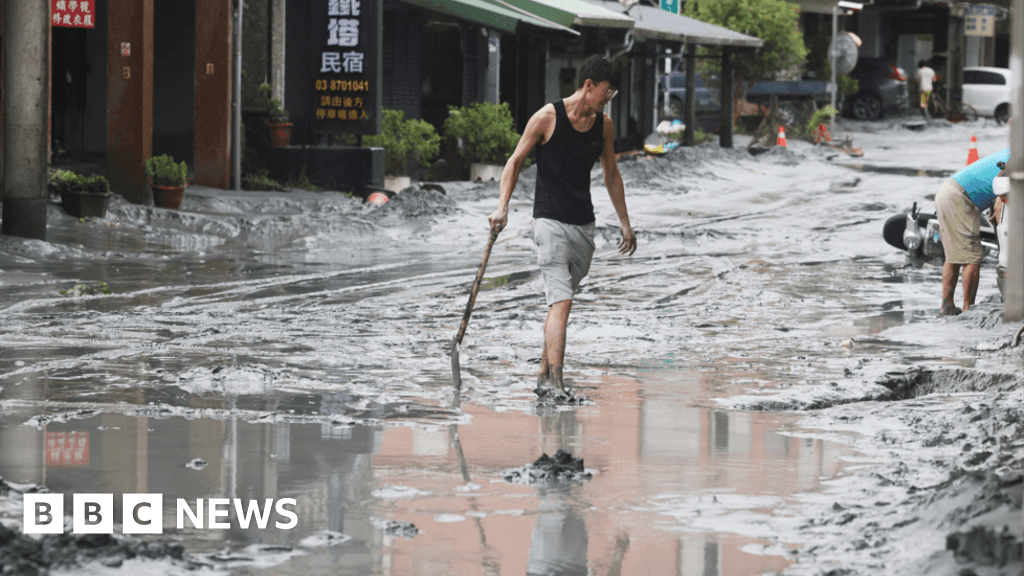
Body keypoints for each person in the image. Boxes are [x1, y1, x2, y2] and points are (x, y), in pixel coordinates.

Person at [486, 54, 637, 393]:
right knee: (563, 302)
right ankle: (557, 382)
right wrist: (502, 207)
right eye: (607, 92)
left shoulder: (604, 126)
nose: (608, 99)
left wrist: (625, 223)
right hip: (549, 221)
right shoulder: (547, 117)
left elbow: (611, 173)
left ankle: (542, 376)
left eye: (613, 94)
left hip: (583, 226)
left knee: (559, 303)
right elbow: (514, 162)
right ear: (588, 86)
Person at [935, 147, 1010, 315]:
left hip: (948, 191)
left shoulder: (1010, 153)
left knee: (954, 256)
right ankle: (968, 309)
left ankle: (947, 305)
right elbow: (1002, 193)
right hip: (959, 198)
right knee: (973, 257)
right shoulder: (1016, 159)